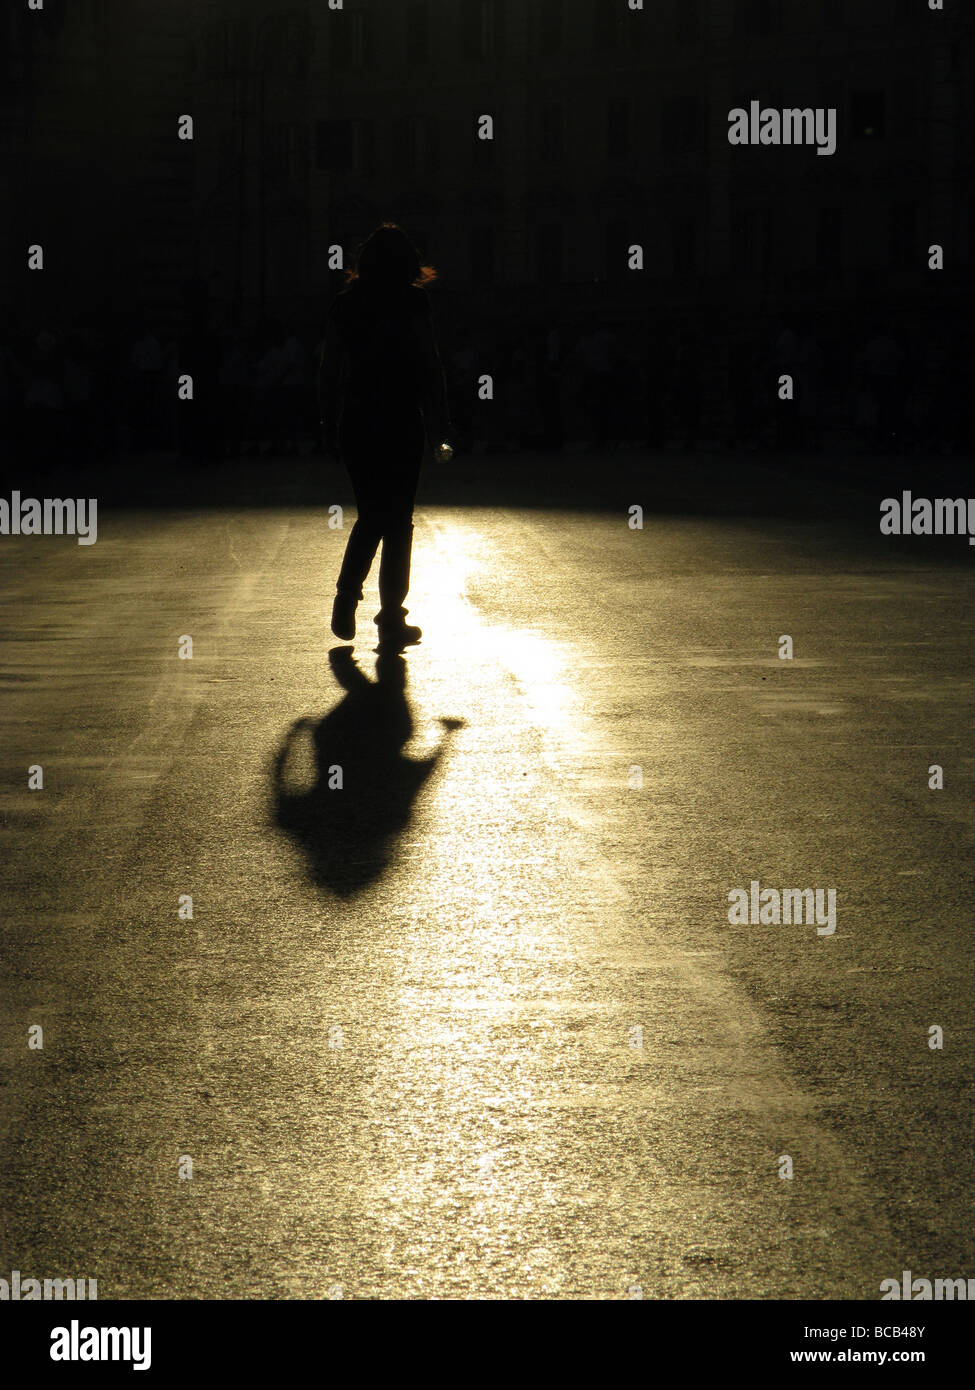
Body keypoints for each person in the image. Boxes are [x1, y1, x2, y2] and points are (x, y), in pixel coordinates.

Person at [318, 223, 452, 649]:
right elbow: (430, 363)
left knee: (372, 513)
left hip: (358, 419)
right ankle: (391, 617)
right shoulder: (413, 301)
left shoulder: (345, 305)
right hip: (401, 418)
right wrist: (440, 424)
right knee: (398, 522)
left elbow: (329, 369)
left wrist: (327, 423)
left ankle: (347, 594)